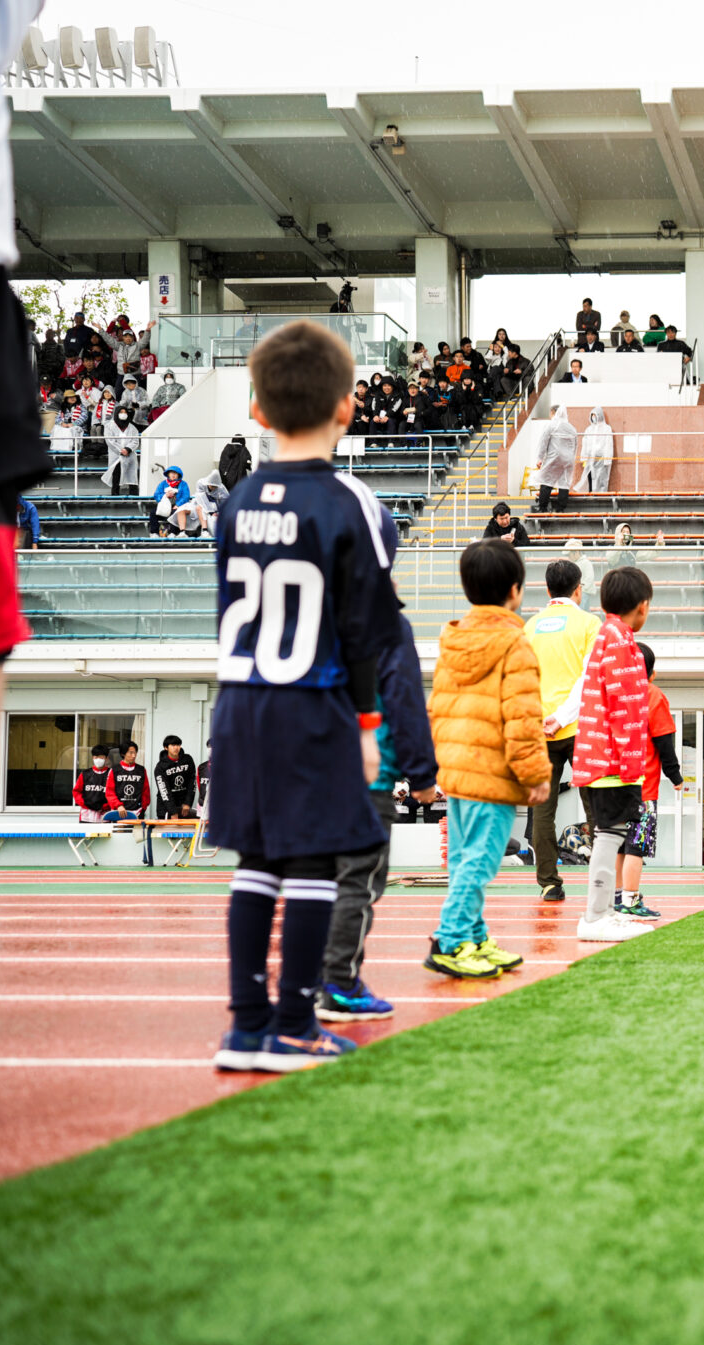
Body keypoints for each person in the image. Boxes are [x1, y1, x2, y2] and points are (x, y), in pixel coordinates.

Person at [206, 321, 410, 1074]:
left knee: (256, 863)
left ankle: (247, 1025)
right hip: (313, 701)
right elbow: (366, 633)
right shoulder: (351, 503)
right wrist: (367, 723)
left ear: (257, 410)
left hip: (240, 700)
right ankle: (294, 1022)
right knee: (317, 863)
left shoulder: (236, 502)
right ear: (348, 407)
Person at [423, 538, 549, 979]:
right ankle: (451, 939)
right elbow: (522, 717)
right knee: (479, 863)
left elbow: (438, 707)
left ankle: (473, 936)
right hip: (492, 775)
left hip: (458, 772)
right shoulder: (515, 643)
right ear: (515, 590)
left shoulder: (453, 639)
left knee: (465, 860)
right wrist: (534, 773)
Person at [317, 629, 438, 1024]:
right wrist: (422, 774)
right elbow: (405, 701)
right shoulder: (385, 624)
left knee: (315, 883)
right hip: (367, 777)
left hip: (311, 775)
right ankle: (339, 984)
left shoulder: (315, 613)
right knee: (357, 882)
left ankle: (307, 983)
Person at [569, 565, 656, 942]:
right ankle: (595, 915)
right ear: (642, 605)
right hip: (611, 762)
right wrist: (630, 761)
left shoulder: (608, 635)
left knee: (611, 834)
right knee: (609, 836)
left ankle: (603, 911)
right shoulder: (620, 641)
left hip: (601, 756)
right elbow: (625, 706)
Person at [528, 559, 602, 904]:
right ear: (578, 590)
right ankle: (602, 880)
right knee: (595, 806)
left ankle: (548, 883)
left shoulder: (530, 627)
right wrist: (561, 717)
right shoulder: (589, 623)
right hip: (579, 726)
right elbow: (588, 678)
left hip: (538, 728)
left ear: (547, 590)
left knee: (543, 811)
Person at [613, 641, 682, 921]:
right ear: (651, 673)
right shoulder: (652, 695)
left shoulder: (612, 694)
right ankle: (630, 900)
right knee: (636, 846)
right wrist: (675, 776)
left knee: (617, 844)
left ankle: (617, 896)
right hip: (642, 788)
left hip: (611, 785)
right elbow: (664, 742)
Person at [534, 404, 579, 512]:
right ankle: (560, 509)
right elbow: (575, 446)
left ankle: (543, 508)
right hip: (568, 459)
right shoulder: (572, 428)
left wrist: (540, 458)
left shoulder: (551, 425)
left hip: (554, 458)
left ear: (553, 413)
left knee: (546, 481)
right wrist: (572, 459)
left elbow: (543, 442)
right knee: (564, 483)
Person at [73, 745, 122, 823]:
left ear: (106, 758)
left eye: (101, 757)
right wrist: (86, 804)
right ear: (93, 758)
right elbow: (76, 792)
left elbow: (116, 793)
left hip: (105, 816)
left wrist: (105, 806)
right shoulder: (85, 774)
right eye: (96, 757)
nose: (98, 759)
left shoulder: (112, 774)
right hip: (87, 816)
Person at [154, 734, 199, 820]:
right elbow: (164, 790)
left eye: (178, 745)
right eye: (173, 745)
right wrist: (173, 811)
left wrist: (188, 803)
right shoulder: (160, 767)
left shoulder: (188, 759)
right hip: (165, 808)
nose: (176, 748)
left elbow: (192, 782)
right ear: (166, 748)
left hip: (183, 806)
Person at [146, 465, 193, 539]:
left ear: (178, 475)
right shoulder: (163, 483)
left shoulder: (183, 484)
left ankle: (173, 533)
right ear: (168, 474)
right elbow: (156, 495)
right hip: (164, 506)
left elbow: (186, 496)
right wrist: (165, 495)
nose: (173, 475)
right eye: (171, 473)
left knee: (176, 512)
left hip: (177, 506)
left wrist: (178, 504)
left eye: (175, 473)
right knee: (153, 513)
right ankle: (154, 533)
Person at [108, 741, 150, 820]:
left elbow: (146, 791)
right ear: (123, 754)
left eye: (135, 752)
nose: (133, 755)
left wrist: (143, 807)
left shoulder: (141, 770)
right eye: (130, 753)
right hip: (119, 812)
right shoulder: (114, 770)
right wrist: (118, 805)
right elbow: (110, 792)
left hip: (138, 812)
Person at [576, 406, 615, 494]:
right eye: (592, 415)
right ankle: (591, 495)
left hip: (601, 460)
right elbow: (585, 444)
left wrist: (607, 459)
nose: (594, 417)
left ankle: (601, 497)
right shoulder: (589, 429)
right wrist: (584, 457)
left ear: (600, 415)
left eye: (595, 415)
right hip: (590, 459)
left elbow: (609, 444)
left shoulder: (606, 428)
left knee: (601, 480)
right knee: (590, 478)